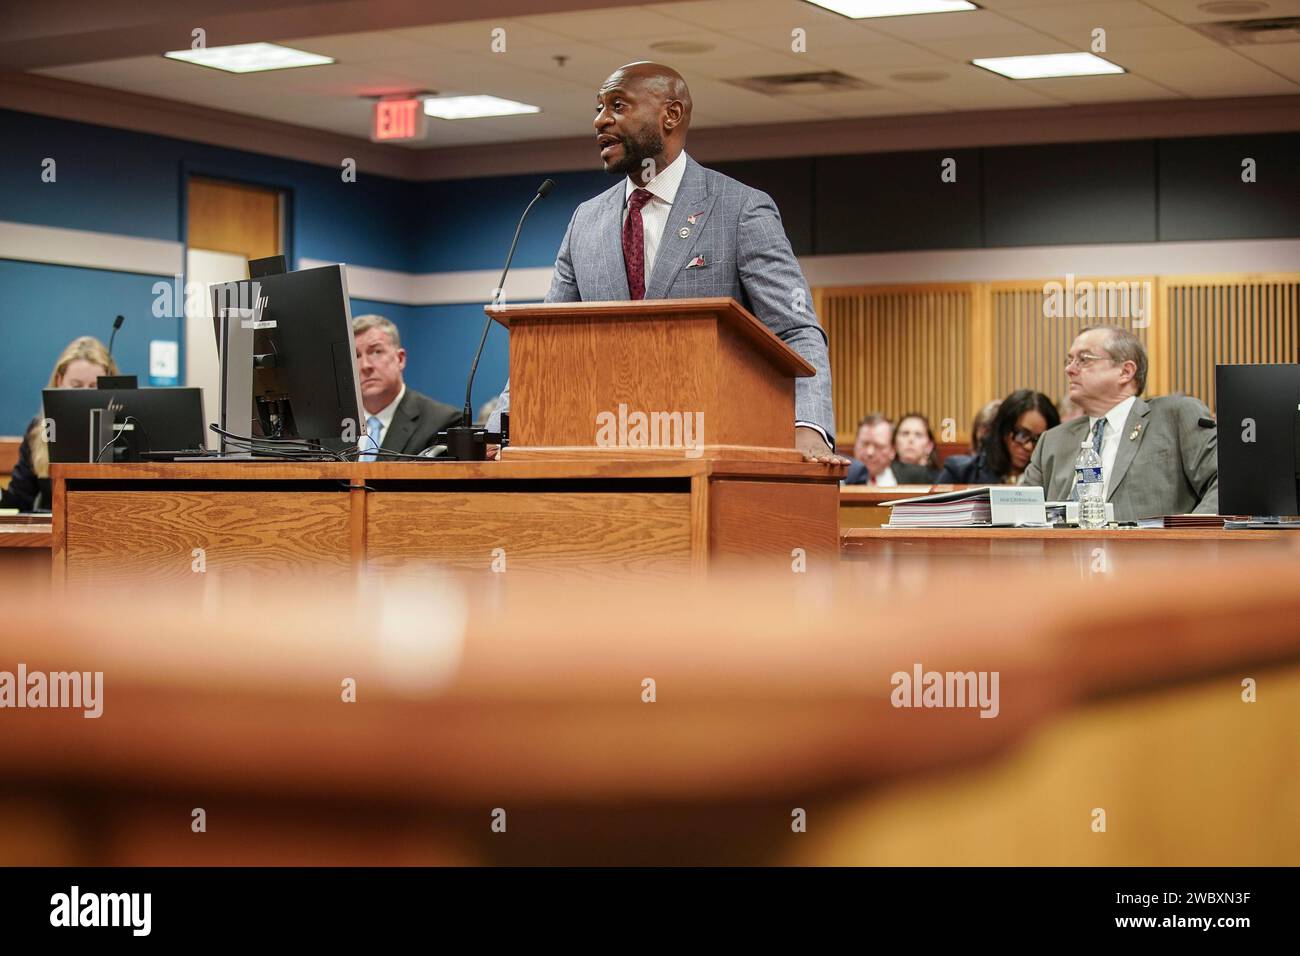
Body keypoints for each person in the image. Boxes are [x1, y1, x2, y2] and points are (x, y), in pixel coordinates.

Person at [486, 61, 845, 465]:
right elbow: (544, 346)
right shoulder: (585, 220)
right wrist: (501, 428)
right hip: (603, 452)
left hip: (711, 451)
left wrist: (808, 429)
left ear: (670, 115)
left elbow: (796, 332)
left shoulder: (740, 208)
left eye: (618, 106)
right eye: (598, 107)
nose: (600, 120)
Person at [1020, 326, 1218, 520]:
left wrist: (1192, 538)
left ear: (1126, 371)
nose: (1069, 369)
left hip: (1153, 550)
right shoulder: (1053, 440)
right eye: (1069, 360)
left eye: (1084, 359)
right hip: (1062, 551)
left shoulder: (1174, 416)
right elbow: (1020, 512)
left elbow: (1224, 482)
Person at [1, 336, 117, 512]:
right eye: (77, 386)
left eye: (94, 386)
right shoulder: (39, 430)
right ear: (59, 380)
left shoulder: (125, 430)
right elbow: (18, 501)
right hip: (52, 535)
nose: (85, 395)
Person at [352, 315, 458, 459]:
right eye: (355, 356)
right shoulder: (330, 429)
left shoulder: (442, 422)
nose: (365, 366)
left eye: (376, 352)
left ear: (400, 359)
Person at [939, 390, 1059, 485]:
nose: (1028, 447)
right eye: (1022, 434)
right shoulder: (960, 472)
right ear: (1003, 430)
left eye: (1038, 439)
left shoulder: (1053, 480)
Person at [844, 414, 935, 486]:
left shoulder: (917, 476)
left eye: (878, 446)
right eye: (864, 444)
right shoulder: (840, 477)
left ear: (892, 450)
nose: (869, 452)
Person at [893, 412, 940, 479]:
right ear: (894, 444)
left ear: (929, 446)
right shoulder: (884, 475)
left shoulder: (940, 479)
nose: (911, 439)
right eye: (905, 433)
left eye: (918, 435)